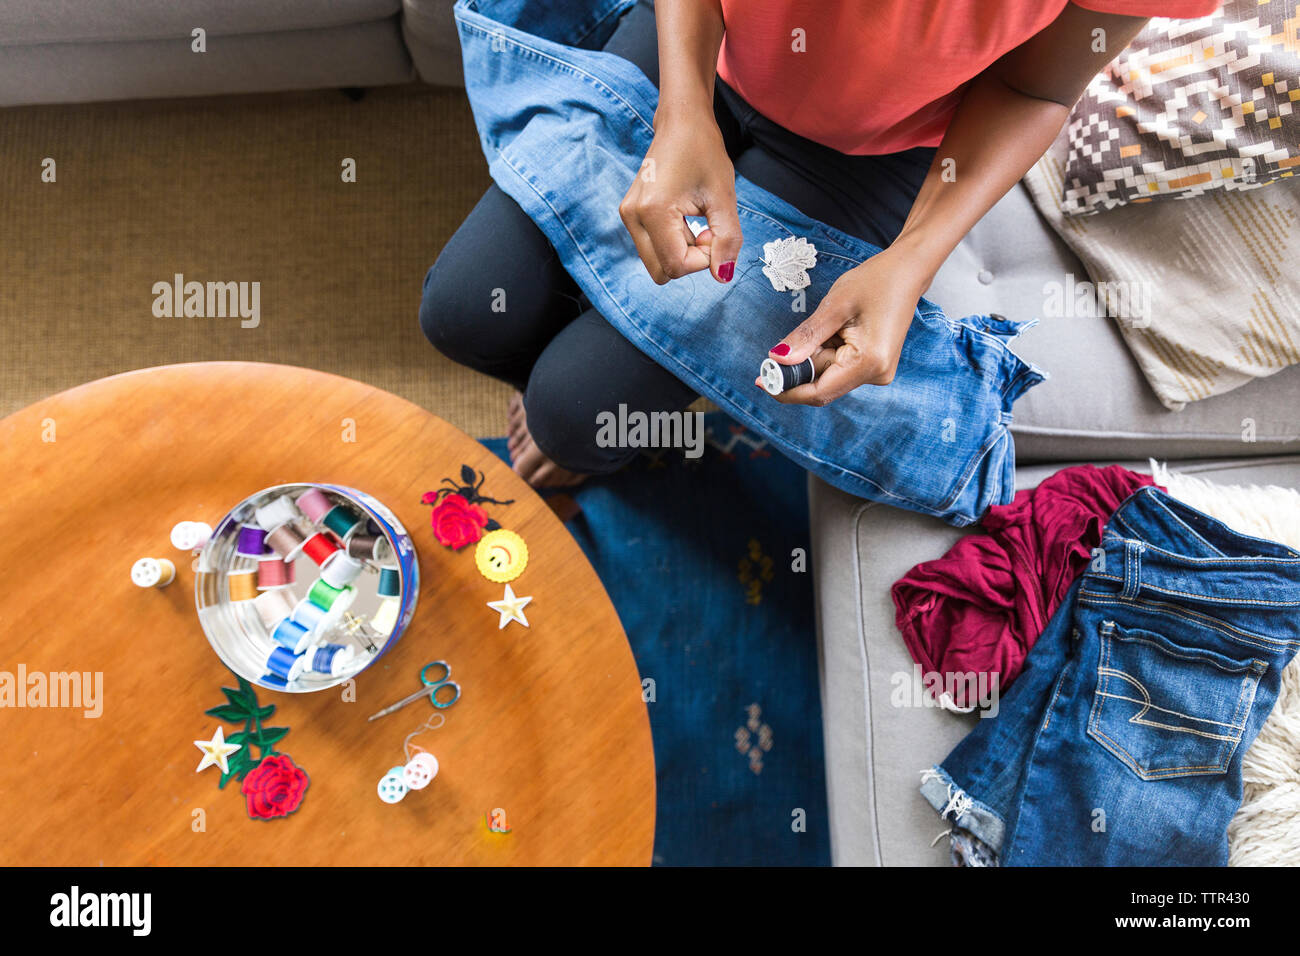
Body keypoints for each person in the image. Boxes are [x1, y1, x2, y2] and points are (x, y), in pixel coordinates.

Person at [421, 0, 1218, 488]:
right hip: (701, 45)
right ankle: (602, 375)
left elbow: (1036, 86)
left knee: (575, 417)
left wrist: (909, 264)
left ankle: (594, 399)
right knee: (462, 311)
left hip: (871, 161)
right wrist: (684, 115)